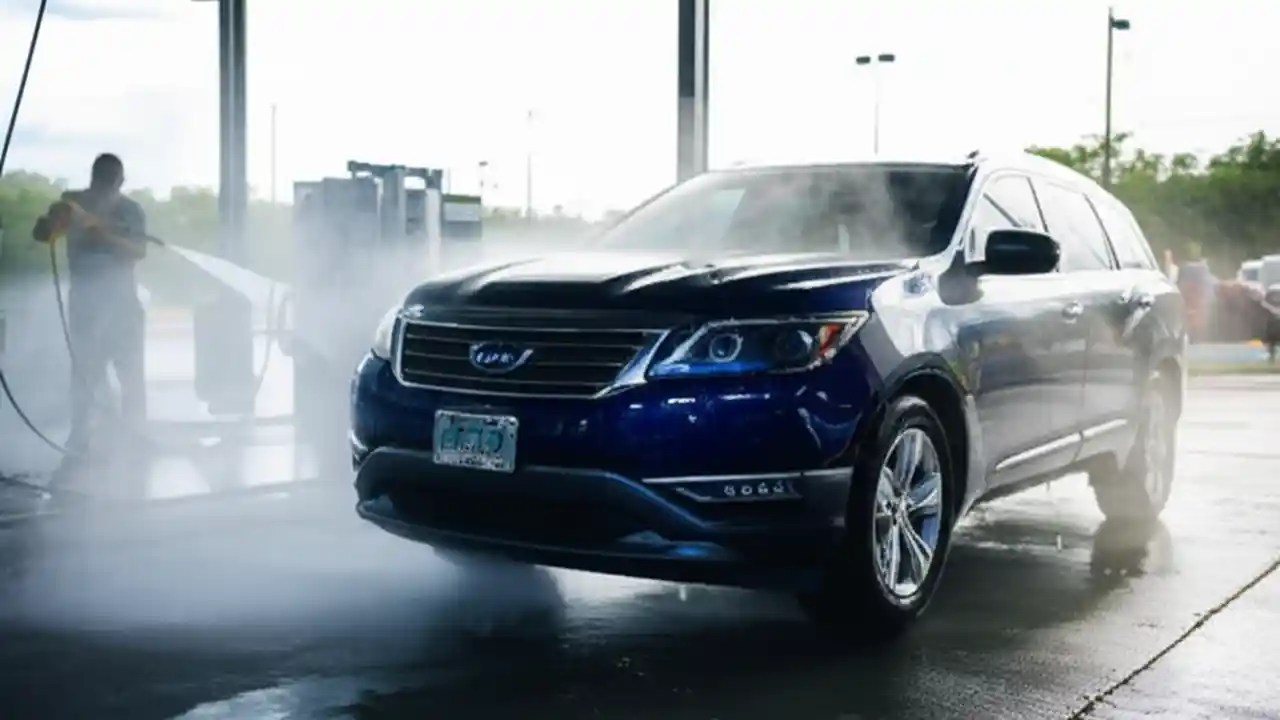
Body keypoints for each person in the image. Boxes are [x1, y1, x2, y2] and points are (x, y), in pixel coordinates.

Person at [34, 153, 149, 456]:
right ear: (94, 177)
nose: (107, 186)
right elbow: (42, 234)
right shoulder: (71, 203)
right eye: (103, 180)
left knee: (130, 372)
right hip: (86, 304)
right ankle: (81, 433)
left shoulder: (130, 210)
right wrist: (49, 225)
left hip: (123, 304)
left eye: (111, 181)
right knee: (85, 371)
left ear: (120, 181)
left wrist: (104, 236)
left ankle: (136, 433)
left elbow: (139, 251)